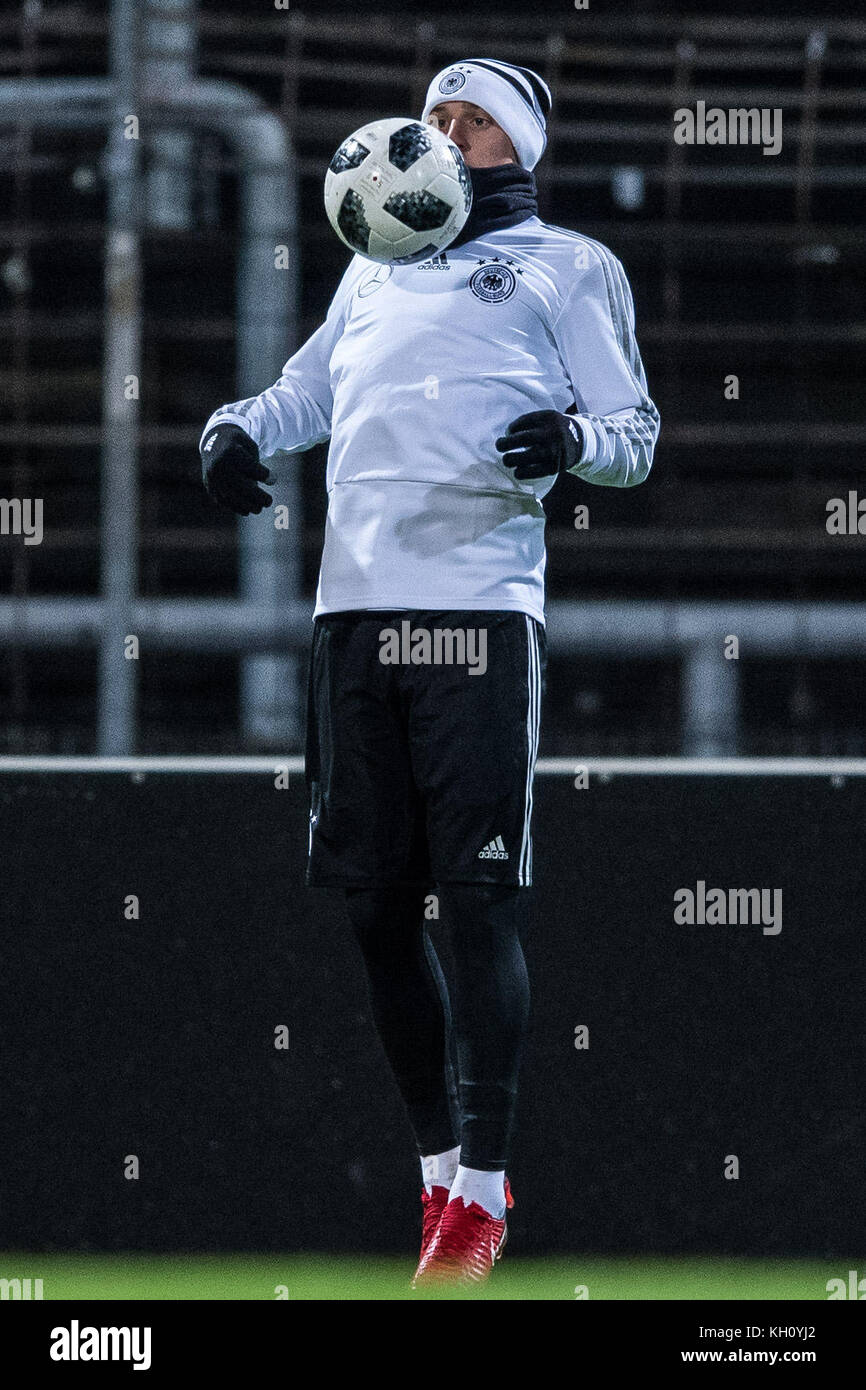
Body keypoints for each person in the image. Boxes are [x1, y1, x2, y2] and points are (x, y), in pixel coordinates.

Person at [200, 57, 660, 1287]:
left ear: (514, 146)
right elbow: (305, 390)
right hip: (349, 612)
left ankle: (488, 1190)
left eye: (469, 121)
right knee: (367, 907)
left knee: (476, 899)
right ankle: (437, 1178)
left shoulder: (567, 267)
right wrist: (235, 429)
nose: (444, 133)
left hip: (478, 616)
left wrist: (572, 440)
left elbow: (636, 434)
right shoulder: (374, 262)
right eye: (435, 116)